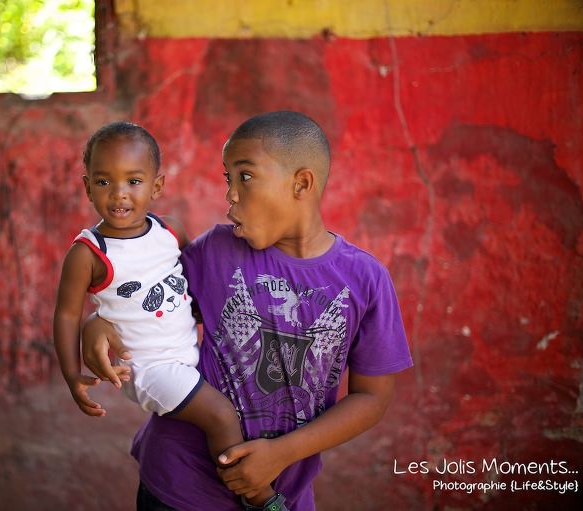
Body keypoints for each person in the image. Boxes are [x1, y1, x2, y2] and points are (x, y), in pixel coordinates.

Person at [81, 111, 414, 510]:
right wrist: (96, 322)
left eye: (246, 176)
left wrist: (283, 453)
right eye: (228, 179)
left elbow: (372, 398)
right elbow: (151, 305)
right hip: (180, 485)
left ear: (301, 183)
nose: (231, 195)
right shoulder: (217, 251)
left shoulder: (365, 280)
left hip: (282, 494)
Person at [52, 121, 282, 510]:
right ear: (87, 187)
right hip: (148, 366)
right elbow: (66, 314)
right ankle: (259, 497)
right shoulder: (89, 253)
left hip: (185, 353)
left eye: (133, 181)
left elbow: (194, 283)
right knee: (221, 416)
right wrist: (72, 374)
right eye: (104, 182)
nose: (119, 193)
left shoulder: (168, 232)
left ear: (156, 186)